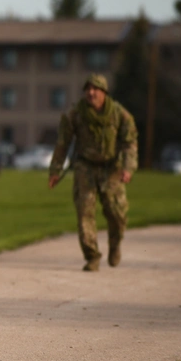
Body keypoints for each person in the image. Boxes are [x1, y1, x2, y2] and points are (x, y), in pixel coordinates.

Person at [48, 74, 138, 272]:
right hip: (85, 167)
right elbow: (63, 143)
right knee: (84, 212)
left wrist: (128, 168)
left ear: (104, 92)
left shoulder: (119, 114)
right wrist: (55, 170)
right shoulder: (76, 114)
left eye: (95, 89)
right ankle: (92, 256)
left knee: (116, 214)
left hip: (112, 168)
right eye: (88, 89)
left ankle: (115, 244)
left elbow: (130, 142)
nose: (91, 93)